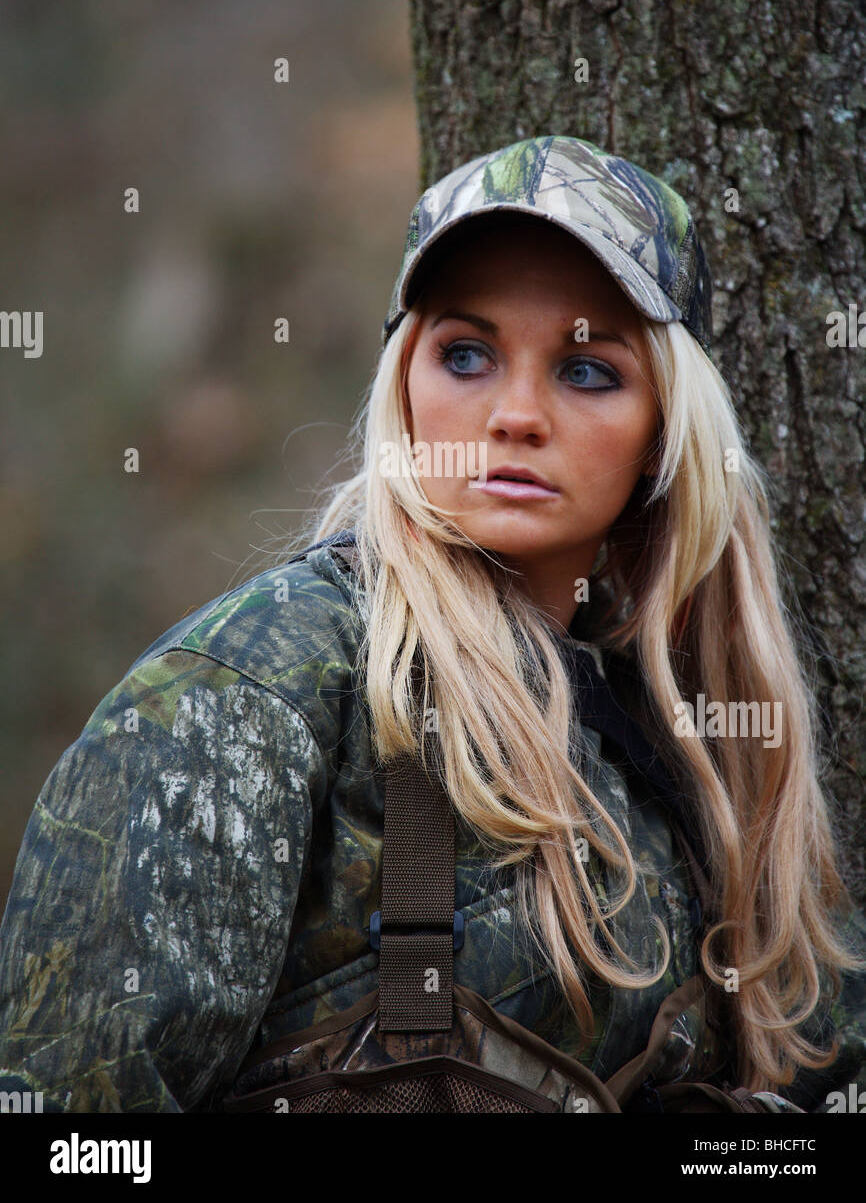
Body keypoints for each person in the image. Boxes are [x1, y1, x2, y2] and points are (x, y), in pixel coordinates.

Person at [0, 134, 863, 1114]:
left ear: (666, 427)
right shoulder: (261, 677)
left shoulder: (686, 742)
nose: (514, 414)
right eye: (465, 354)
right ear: (404, 383)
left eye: (585, 369)